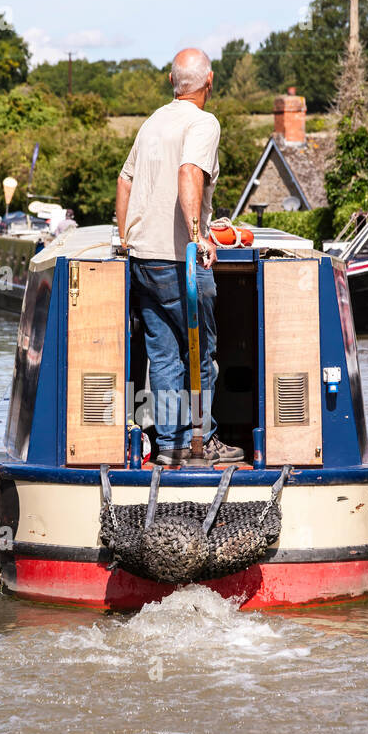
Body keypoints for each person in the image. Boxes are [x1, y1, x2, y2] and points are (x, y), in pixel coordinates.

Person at [115, 47, 243, 467]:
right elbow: (189, 171)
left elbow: (125, 179)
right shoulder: (203, 122)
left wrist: (124, 239)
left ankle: (170, 445)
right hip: (180, 261)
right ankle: (202, 442)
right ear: (210, 82)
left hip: (143, 260)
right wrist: (197, 238)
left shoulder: (152, 123)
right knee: (201, 355)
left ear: (172, 82)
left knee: (164, 356)